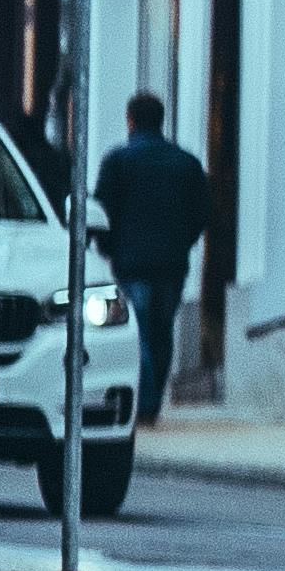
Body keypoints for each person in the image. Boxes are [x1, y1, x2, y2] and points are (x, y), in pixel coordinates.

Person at [93, 89, 211, 428]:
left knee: (141, 333)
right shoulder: (186, 163)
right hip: (172, 264)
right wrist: (182, 242)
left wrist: (109, 247)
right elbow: (202, 212)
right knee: (161, 333)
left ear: (130, 120)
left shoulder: (118, 161)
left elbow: (102, 211)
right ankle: (152, 402)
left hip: (131, 264)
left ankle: (144, 406)